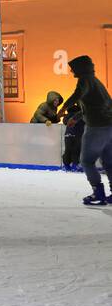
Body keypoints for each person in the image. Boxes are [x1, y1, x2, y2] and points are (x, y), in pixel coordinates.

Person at [57, 55, 112, 206]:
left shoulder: (84, 80)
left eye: (72, 68)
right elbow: (100, 105)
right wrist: (78, 116)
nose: (71, 71)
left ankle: (98, 193)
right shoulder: (96, 82)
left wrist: (63, 109)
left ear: (80, 68)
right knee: (109, 162)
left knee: (86, 161)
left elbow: (77, 95)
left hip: (96, 127)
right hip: (109, 126)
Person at [61, 103, 85, 172]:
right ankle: (75, 165)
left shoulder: (67, 116)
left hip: (68, 135)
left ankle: (66, 165)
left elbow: (64, 122)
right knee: (76, 150)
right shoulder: (80, 116)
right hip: (77, 135)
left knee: (67, 150)